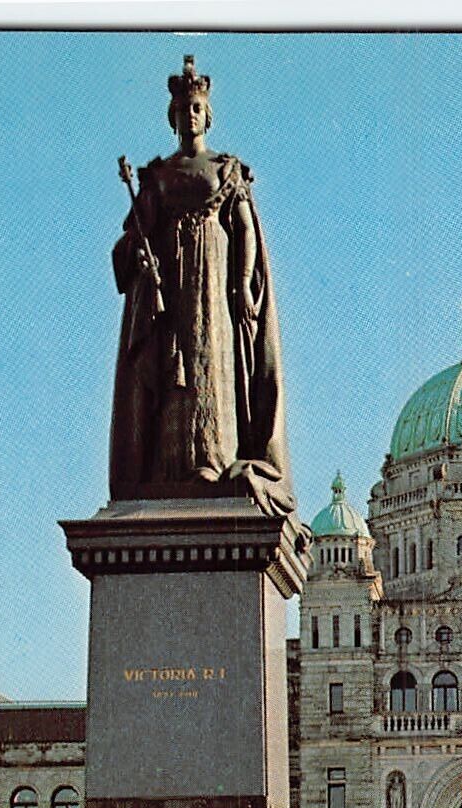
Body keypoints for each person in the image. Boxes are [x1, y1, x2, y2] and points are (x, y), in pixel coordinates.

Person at [109, 56, 294, 516]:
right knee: (175, 373)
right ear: (173, 117)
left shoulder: (226, 170)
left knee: (214, 369)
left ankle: (213, 459)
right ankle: (169, 468)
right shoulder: (158, 175)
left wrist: (246, 288)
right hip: (172, 289)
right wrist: (138, 254)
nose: (190, 115)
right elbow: (134, 236)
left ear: (206, 114)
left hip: (215, 287)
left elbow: (245, 228)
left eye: (196, 107)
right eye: (183, 109)